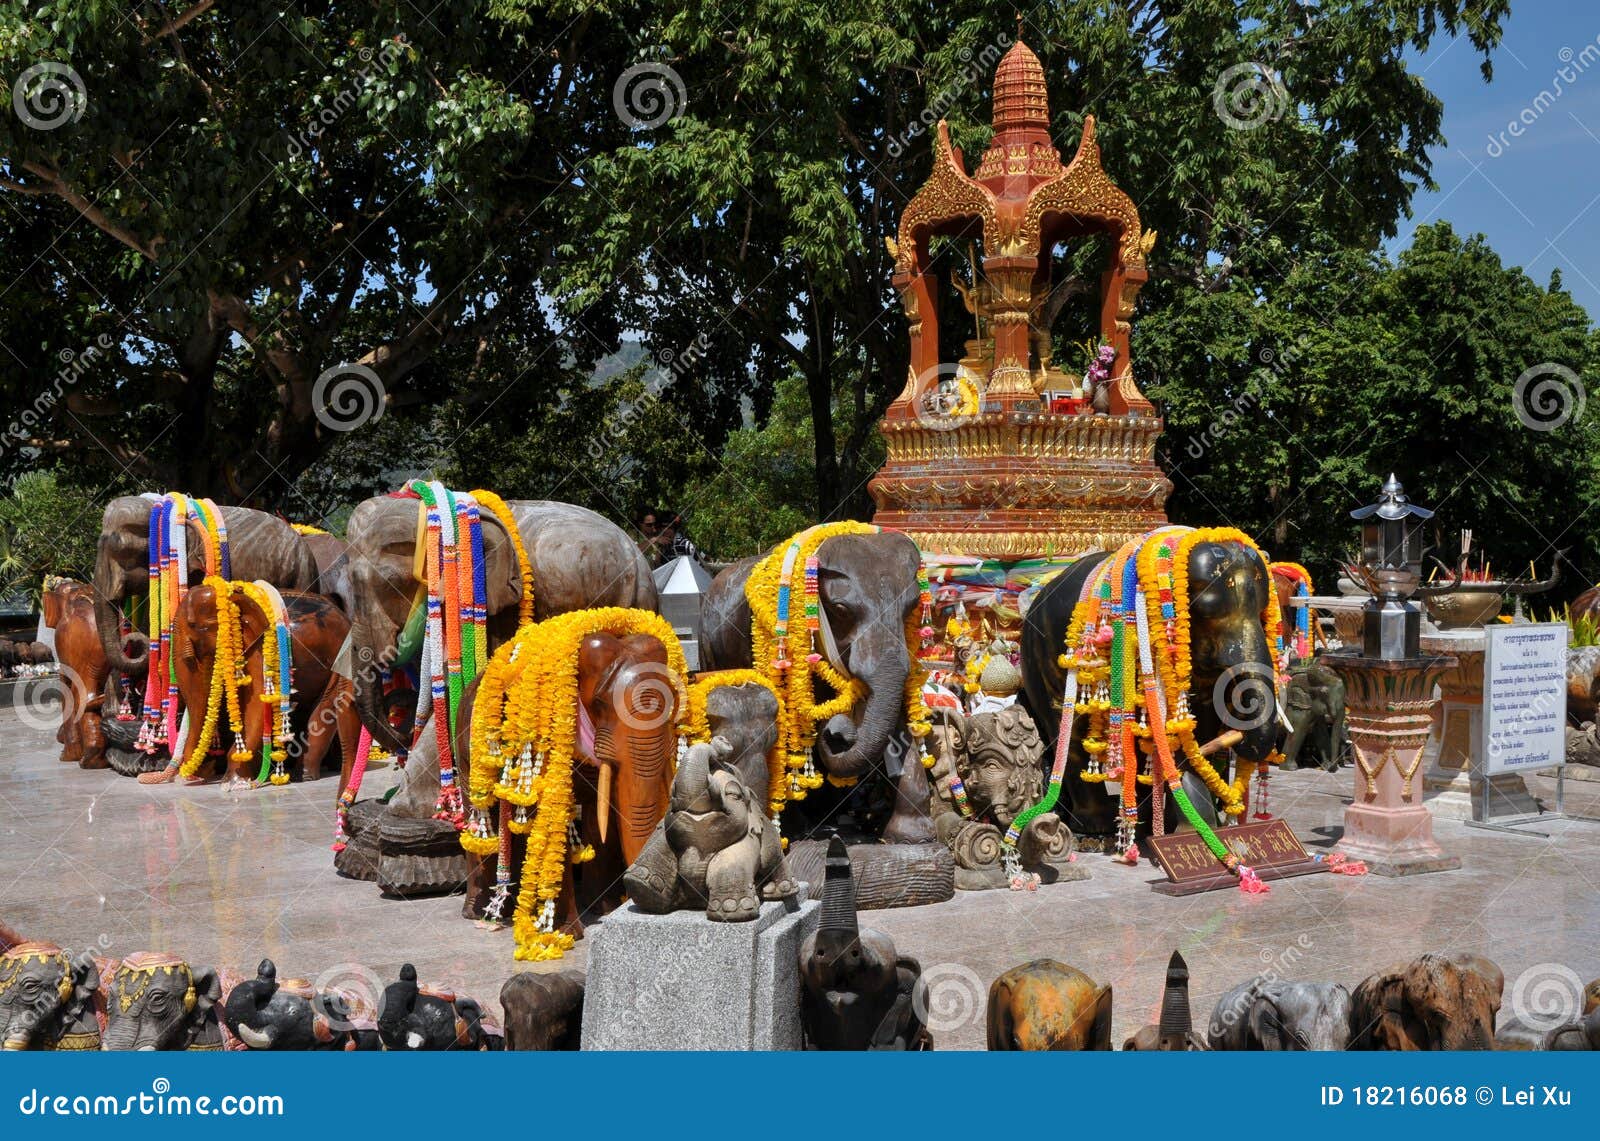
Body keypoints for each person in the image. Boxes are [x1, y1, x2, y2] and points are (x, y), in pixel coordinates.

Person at [636, 507, 701, 568]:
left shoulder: (685, 545)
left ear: (675, 529)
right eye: (662, 527)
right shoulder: (660, 544)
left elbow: (698, 568)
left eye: (669, 527)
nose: (665, 530)